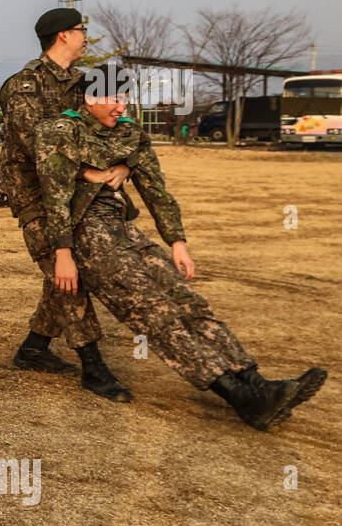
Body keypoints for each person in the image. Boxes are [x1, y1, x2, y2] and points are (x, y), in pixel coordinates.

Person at [34, 64, 328, 428]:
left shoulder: (131, 135)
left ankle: (256, 382)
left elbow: (156, 191)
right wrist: (63, 252)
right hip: (85, 234)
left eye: (126, 97)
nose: (121, 106)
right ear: (91, 97)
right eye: (114, 98)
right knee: (154, 311)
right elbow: (55, 197)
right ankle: (238, 397)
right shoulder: (58, 131)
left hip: (124, 229)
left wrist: (178, 243)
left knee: (189, 301)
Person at [0, 7, 127, 401]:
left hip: (76, 194)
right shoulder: (24, 86)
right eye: (81, 30)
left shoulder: (87, 84)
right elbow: (35, 144)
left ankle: (34, 349)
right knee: (67, 271)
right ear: (63, 36)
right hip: (35, 193)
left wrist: (120, 159)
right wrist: (89, 170)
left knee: (65, 271)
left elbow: (109, 126)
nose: (86, 36)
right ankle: (93, 365)